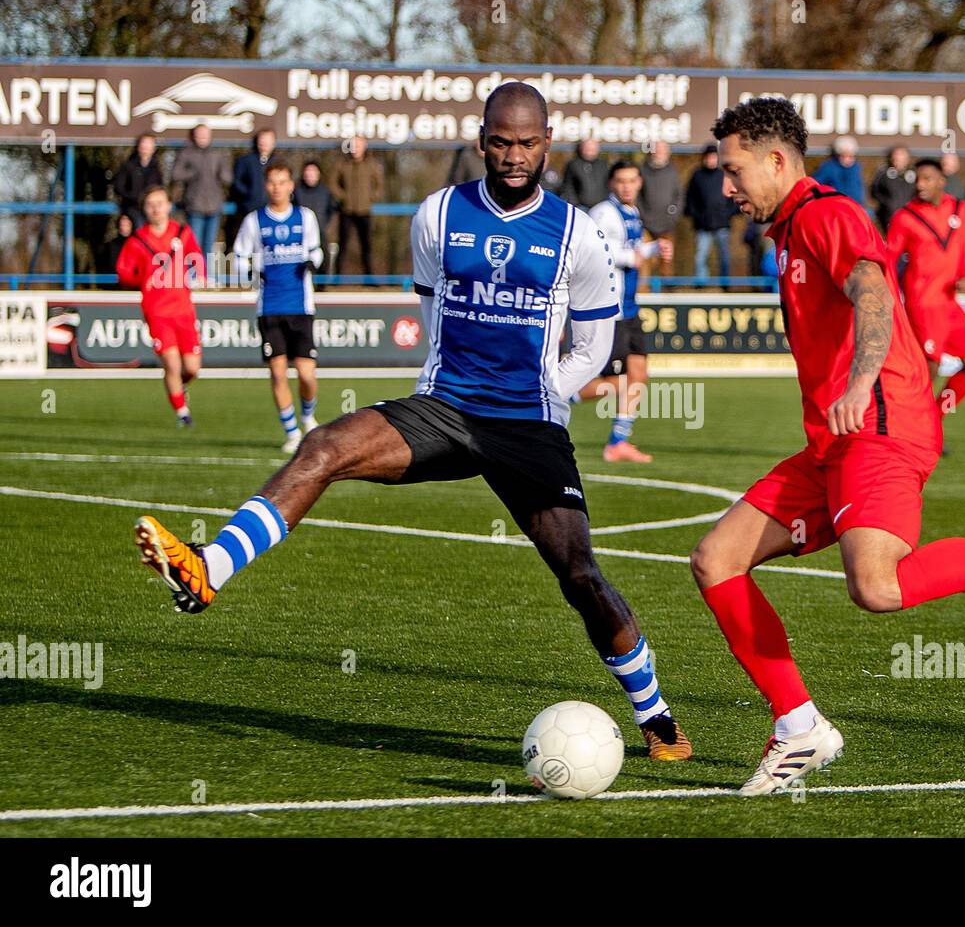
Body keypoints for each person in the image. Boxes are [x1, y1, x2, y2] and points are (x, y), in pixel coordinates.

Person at [131, 82, 693, 763]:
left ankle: (655, 714)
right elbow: (435, 316)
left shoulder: (581, 233)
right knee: (324, 445)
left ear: (548, 142)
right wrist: (446, 384)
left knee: (580, 576)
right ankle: (209, 568)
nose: (514, 156)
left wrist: (550, 394)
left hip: (529, 423)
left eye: (527, 143)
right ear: (481, 139)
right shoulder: (437, 215)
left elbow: (595, 344)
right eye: (500, 142)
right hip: (445, 408)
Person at [691, 97, 965, 795]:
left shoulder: (828, 213)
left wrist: (860, 383)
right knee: (717, 559)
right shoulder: (788, 228)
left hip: (883, 423)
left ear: (775, 159)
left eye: (734, 172)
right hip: (837, 438)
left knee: (877, 586)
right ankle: (798, 725)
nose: (726, 187)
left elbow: (872, 291)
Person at [581, 160, 672, 463]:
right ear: (611, 184)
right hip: (611, 311)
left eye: (632, 180)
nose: (627, 186)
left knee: (639, 374)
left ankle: (617, 442)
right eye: (621, 181)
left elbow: (632, 252)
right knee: (612, 382)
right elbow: (596, 253)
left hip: (630, 308)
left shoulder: (631, 213)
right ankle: (558, 396)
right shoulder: (603, 213)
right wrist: (632, 256)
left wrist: (655, 248)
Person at [234, 160, 325, 453]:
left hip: (300, 305)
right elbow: (239, 255)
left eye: (283, 182)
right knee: (277, 372)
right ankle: (292, 432)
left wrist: (313, 261)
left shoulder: (305, 217)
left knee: (307, 374)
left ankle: (308, 416)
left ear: (291, 185)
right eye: (272, 182)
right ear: (266, 186)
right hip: (269, 306)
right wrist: (248, 270)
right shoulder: (254, 221)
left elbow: (317, 251)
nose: (277, 188)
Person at [886, 158, 965, 425]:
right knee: (929, 368)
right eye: (918, 179)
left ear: (942, 181)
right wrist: (890, 298)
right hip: (922, 303)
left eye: (927, 178)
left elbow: (963, 247)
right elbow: (888, 260)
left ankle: (933, 420)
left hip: (949, 303)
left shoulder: (960, 209)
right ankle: (910, 430)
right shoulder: (905, 217)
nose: (920, 185)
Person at [115, 185, 205, 426]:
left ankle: (179, 388)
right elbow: (124, 273)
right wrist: (144, 281)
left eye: (160, 203)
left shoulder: (183, 233)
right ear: (145, 209)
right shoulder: (137, 240)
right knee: (172, 364)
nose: (155, 208)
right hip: (157, 312)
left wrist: (197, 275)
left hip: (184, 310)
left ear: (168, 206)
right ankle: (182, 413)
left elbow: (197, 258)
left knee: (192, 368)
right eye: (150, 204)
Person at [171, 123, 231, 260]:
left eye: (205, 134)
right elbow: (175, 174)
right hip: (194, 207)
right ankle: (193, 277)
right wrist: (192, 173)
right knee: (194, 245)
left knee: (209, 247)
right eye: (199, 134)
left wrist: (222, 174)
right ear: (193, 136)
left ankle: (206, 277)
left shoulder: (217, 155)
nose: (202, 137)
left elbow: (228, 178)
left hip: (214, 206)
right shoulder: (186, 153)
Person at [685, 143, 739, 278]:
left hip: (722, 225)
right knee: (700, 257)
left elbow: (735, 199)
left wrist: (727, 214)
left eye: (714, 157)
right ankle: (701, 285)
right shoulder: (697, 176)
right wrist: (697, 217)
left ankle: (725, 284)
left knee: (724, 257)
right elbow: (690, 200)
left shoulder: (725, 175)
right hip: (703, 226)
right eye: (708, 157)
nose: (711, 160)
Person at [332, 136, 383, 276]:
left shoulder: (371, 164)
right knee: (342, 245)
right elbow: (333, 184)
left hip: (365, 211)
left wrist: (371, 198)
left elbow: (379, 185)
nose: (356, 149)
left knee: (367, 245)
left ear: (364, 146)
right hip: (346, 210)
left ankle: (369, 277)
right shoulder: (342, 164)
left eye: (358, 146)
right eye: (353, 146)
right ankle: (337, 278)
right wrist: (343, 198)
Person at [638, 140, 681, 278]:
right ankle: (643, 292)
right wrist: (642, 215)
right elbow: (638, 195)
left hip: (667, 224)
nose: (660, 153)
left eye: (663, 150)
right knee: (644, 259)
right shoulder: (642, 170)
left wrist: (673, 215)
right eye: (657, 150)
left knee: (666, 261)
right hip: (645, 224)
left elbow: (679, 196)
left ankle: (667, 292)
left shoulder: (673, 172)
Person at [229, 128, 277, 248]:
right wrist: (249, 195)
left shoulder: (278, 163)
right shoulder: (245, 161)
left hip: (270, 212)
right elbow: (236, 182)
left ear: (273, 143)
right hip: (247, 210)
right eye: (262, 140)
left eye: (268, 140)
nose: (264, 143)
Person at [112, 134, 164, 229]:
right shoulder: (128, 165)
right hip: (133, 210)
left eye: (149, 144)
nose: (146, 147)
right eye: (144, 143)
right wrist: (132, 197)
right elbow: (118, 187)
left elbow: (160, 189)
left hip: (151, 210)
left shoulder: (156, 169)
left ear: (154, 148)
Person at [868, 145, 914, 233]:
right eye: (896, 155)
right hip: (888, 217)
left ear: (907, 158)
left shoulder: (914, 174)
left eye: (902, 155)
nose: (898, 158)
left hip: (909, 217)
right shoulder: (883, 174)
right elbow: (874, 192)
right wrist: (887, 204)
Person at [812, 135, 865, 206]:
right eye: (844, 156)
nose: (847, 159)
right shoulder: (828, 167)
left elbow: (859, 185)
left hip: (854, 206)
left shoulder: (856, 167)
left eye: (850, 156)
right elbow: (816, 185)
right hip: (834, 207)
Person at [559, 138, 609, 211]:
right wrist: (575, 204)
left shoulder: (603, 165)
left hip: (601, 208)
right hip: (581, 208)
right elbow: (567, 186)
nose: (590, 151)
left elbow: (609, 184)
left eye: (593, 149)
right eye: (588, 148)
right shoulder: (573, 165)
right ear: (581, 148)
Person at [98, 213, 134, 280]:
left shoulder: (137, 245)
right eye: (122, 225)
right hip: (115, 284)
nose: (124, 227)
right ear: (118, 226)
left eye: (127, 225)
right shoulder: (111, 246)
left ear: (131, 226)